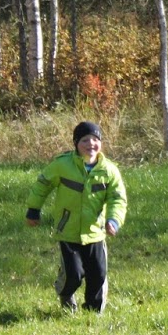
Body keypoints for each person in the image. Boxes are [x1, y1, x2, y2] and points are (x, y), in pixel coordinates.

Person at [26, 121, 127, 314]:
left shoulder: (109, 171)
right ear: (75, 143)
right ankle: (65, 294)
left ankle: (93, 312)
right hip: (68, 232)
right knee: (73, 274)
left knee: (98, 274)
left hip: (95, 233)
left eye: (95, 140)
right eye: (85, 140)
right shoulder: (62, 165)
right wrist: (33, 210)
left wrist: (114, 220)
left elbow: (118, 199)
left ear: (101, 143)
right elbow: (42, 185)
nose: (91, 144)